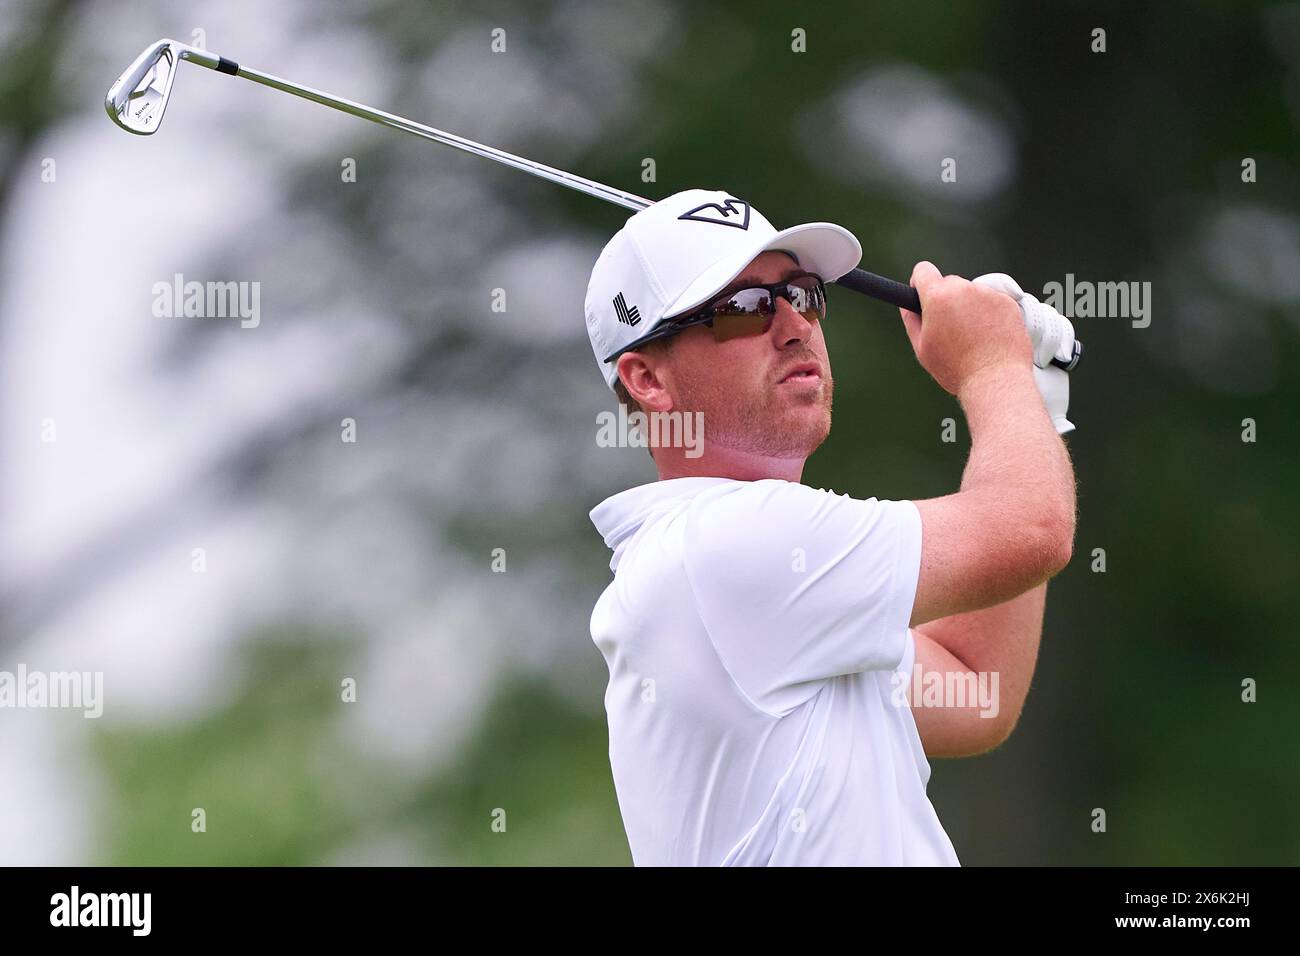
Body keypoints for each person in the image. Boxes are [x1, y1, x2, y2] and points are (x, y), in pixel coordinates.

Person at [583, 189, 1076, 866]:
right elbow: (1032, 529)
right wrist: (995, 368)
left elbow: (974, 687)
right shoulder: (727, 543)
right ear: (648, 381)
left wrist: (1033, 403)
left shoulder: (773, 579)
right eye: (745, 309)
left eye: (803, 294)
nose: (794, 326)